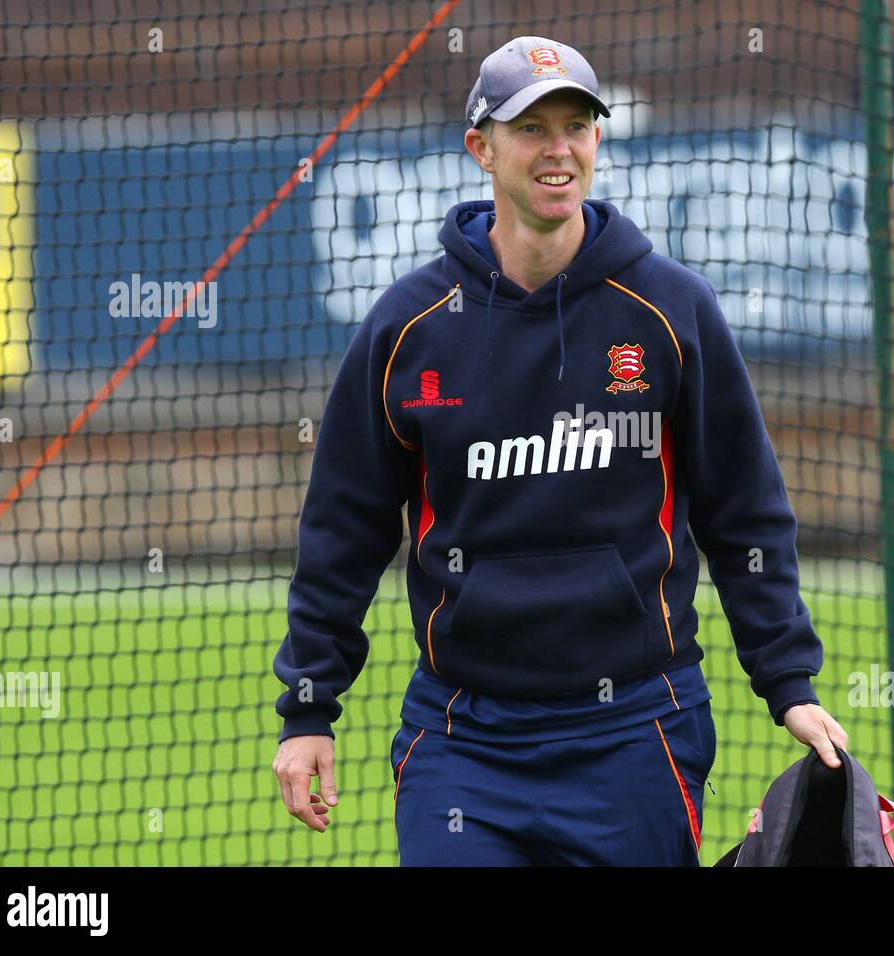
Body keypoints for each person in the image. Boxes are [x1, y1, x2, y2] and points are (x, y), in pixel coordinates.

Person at [272, 35, 848, 866]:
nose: (559, 150)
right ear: (481, 146)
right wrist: (309, 709)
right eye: (531, 128)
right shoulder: (409, 328)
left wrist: (787, 682)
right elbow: (343, 526)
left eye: (576, 125)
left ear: (598, 141)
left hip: (636, 731)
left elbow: (745, 511)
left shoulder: (671, 310)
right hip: (461, 739)